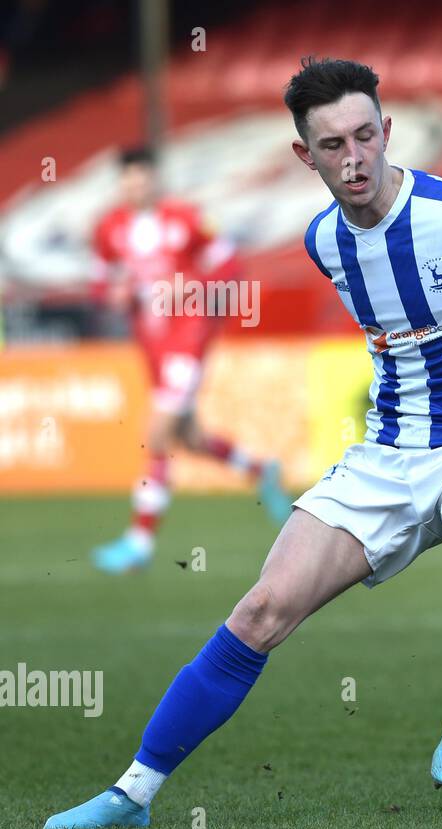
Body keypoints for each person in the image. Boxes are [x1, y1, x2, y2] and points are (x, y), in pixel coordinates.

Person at [44, 56, 442, 829]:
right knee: (259, 610)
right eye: (332, 146)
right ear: (304, 155)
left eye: (364, 137)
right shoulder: (326, 240)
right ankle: (133, 793)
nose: (353, 159)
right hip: (383, 457)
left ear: (388, 132)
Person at [90, 146, 290, 574]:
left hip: (188, 335)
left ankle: (139, 541)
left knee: (157, 433)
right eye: (128, 177)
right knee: (189, 437)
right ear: (121, 182)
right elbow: (100, 285)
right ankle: (260, 469)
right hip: (151, 343)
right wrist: (113, 295)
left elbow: (231, 265)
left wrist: (192, 285)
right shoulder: (109, 229)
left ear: (154, 179)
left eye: (143, 176)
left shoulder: (185, 218)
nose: (136, 183)